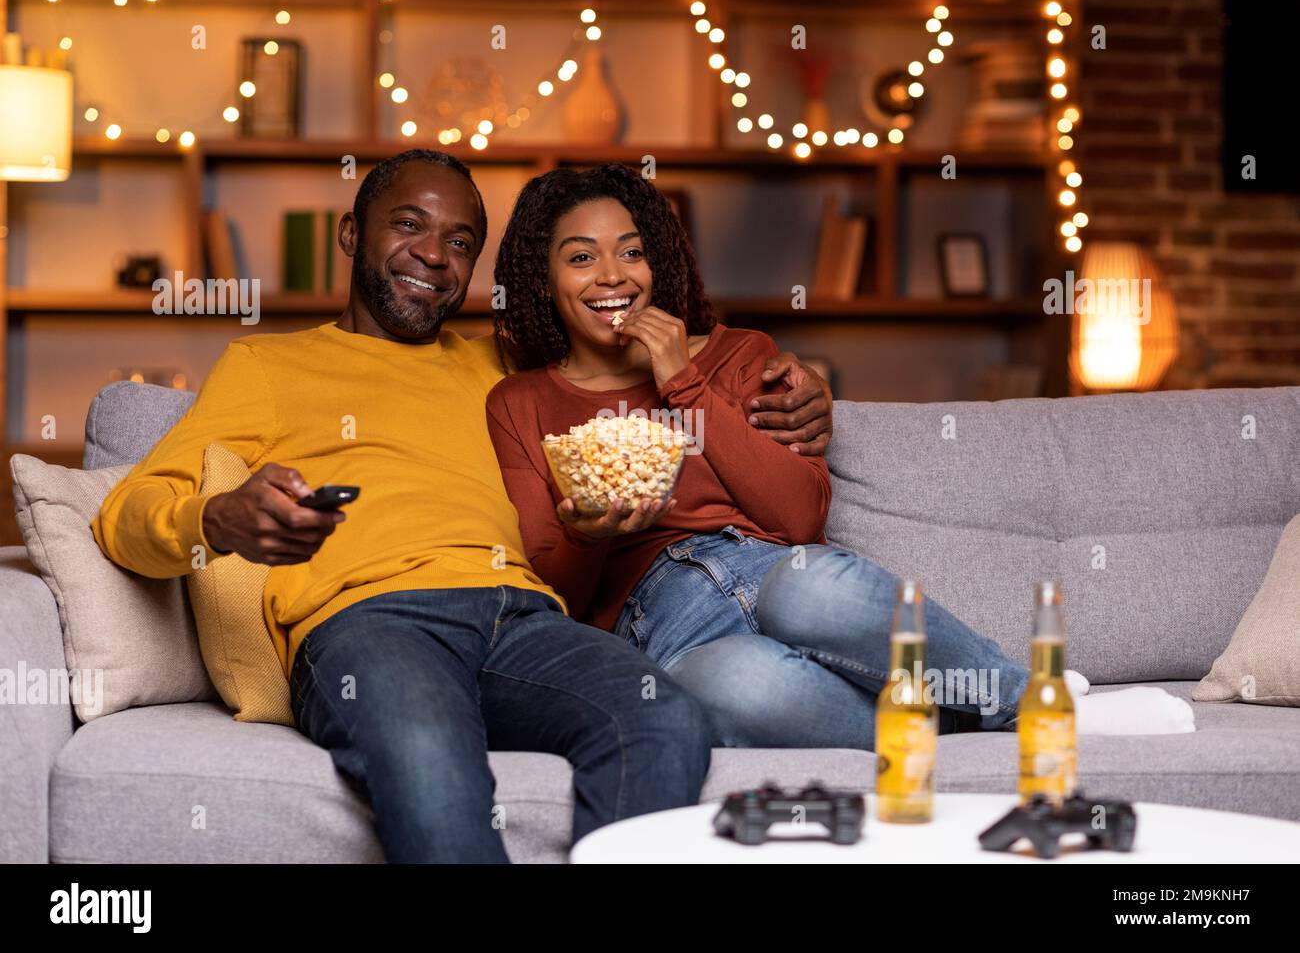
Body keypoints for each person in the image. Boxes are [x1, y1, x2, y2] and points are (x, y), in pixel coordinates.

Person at [89, 150, 829, 863]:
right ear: (352, 234)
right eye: (408, 224)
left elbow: (641, 353)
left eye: (460, 240)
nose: (435, 253)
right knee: (427, 752)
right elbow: (125, 516)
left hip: (524, 618)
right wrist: (216, 520)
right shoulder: (264, 365)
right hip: (373, 621)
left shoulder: (507, 366)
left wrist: (793, 386)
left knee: (662, 715)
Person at [486, 163, 1197, 748]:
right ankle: (991, 718)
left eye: (632, 249)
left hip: (768, 566)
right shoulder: (519, 403)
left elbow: (796, 517)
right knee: (739, 685)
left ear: (658, 260)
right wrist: (589, 532)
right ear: (545, 279)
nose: (612, 274)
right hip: (664, 621)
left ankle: (1037, 702)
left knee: (811, 586)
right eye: (581, 257)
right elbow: (556, 592)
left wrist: (682, 377)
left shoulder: (738, 356)